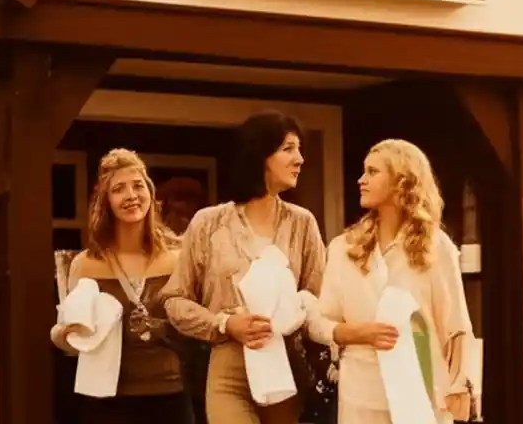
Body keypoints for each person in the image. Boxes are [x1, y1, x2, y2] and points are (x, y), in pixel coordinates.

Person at [160, 111, 327, 424]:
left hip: (286, 366)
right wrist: (223, 324)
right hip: (227, 368)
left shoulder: (303, 223)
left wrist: (294, 314)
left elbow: (319, 297)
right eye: (288, 149)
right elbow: (175, 299)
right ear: (260, 154)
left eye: (300, 149)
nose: (300, 159)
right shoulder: (208, 223)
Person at [306, 139, 475, 424]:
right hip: (361, 394)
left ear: (401, 181)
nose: (361, 180)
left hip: (421, 394)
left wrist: (458, 391)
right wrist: (357, 333)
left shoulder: (436, 247)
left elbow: (456, 326)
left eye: (372, 172)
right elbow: (319, 324)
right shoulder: (343, 248)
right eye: (363, 172)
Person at [50, 149, 194, 424]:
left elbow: (198, 323)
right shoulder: (86, 264)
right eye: (119, 189)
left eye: (138, 186)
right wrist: (64, 334)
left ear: (150, 193)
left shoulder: (178, 257)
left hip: (171, 391)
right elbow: (67, 336)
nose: (131, 195)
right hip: (108, 398)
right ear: (105, 201)